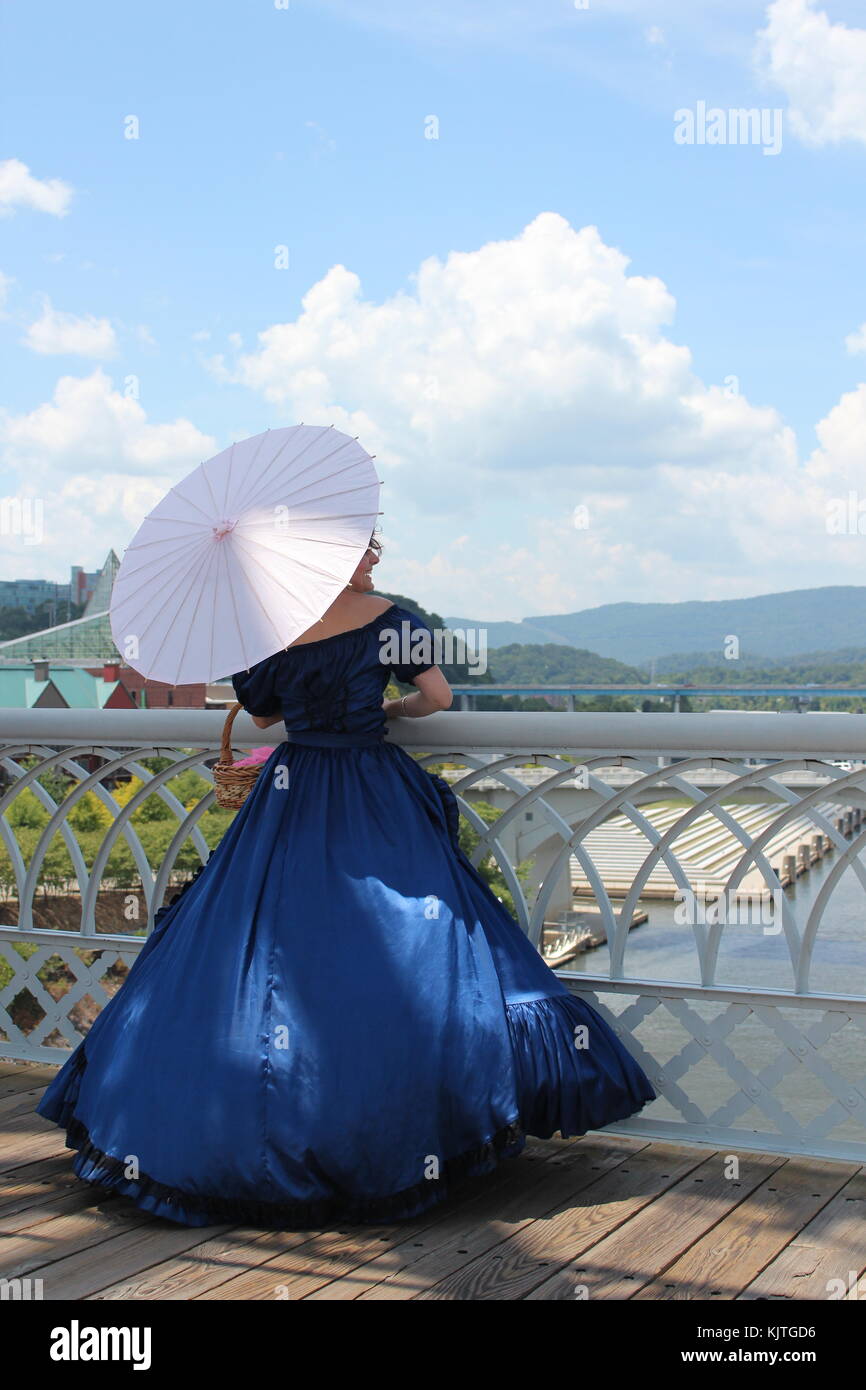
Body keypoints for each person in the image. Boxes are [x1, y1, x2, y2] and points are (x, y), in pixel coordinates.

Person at [37, 531, 655, 1227]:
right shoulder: (391, 619)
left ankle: (228, 1136)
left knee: (257, 943)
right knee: (414, 940)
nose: (376, 559)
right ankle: (398, 1127)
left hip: (291, 791)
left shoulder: (276, 623)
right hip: (370, 788)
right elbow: (439, 698)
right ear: (335, 559)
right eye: (365, 549)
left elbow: (265, 713)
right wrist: (386, 709)